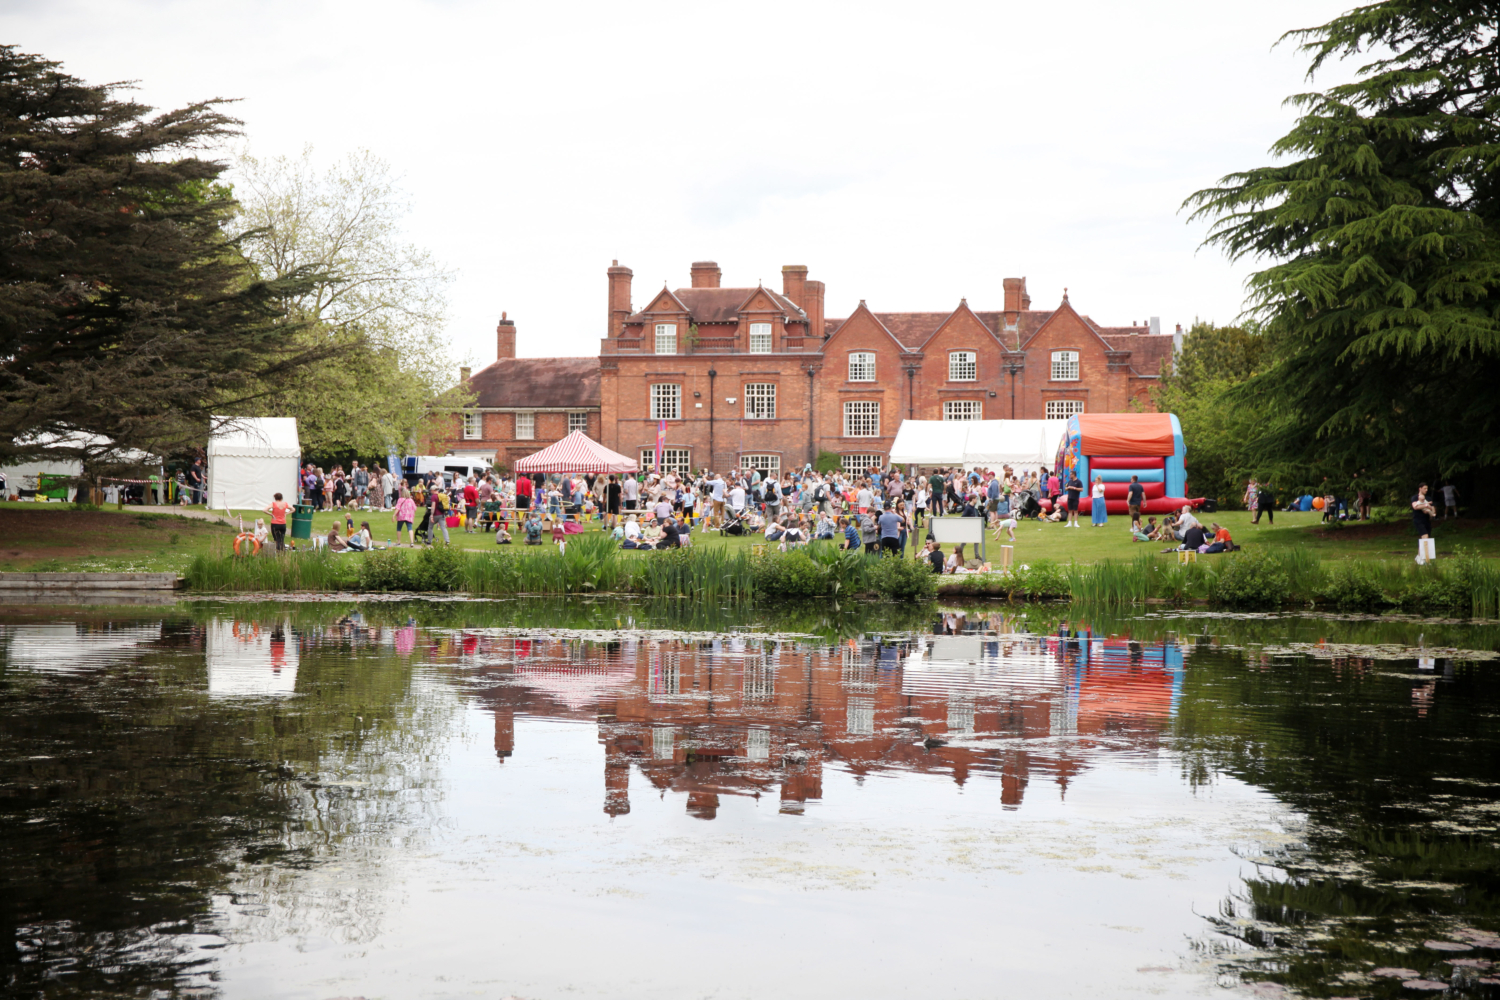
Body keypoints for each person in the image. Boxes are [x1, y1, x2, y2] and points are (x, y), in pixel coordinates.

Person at [1412, 483, 1437, 564]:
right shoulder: (1415, 498)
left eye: (1427, 488)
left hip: (1427, 521)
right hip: (1418, 520)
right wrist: (1426, 505)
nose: (1426, 490)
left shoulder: (1429, 498)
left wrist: (1431, 511)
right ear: (1420, 489)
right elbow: (1415, 507)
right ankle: (1423, 559)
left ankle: (1420, 556)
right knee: (1425, 536)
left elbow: (1433, 510)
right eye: (1424, 488)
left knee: (1426, 539)